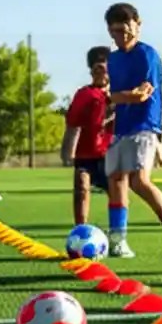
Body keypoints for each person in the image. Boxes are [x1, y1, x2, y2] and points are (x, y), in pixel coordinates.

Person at [102, 3, 162, 261]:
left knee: (139, 180)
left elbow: (143, 94)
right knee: (116, 180)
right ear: (110, 32)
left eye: (127, 28)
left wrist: (108, 98)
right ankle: (118, 241)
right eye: (116, 30)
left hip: (144, 125)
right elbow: (118, 97)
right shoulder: (114, 59)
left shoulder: (147, 55)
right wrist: (109, 106)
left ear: (138, 24)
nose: (123, 35)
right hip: (122, 128)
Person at [61, 46, 113, 225]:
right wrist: (68, 151)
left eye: (104, 66)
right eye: (95, 67)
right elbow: (72, 124)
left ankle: (117, 231)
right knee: (82, 187)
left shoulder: (120, 94)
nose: (100, 71)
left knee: (116, 192)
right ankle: (80, 228)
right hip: (86, 153)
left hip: (110, 153)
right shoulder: (84, 94)